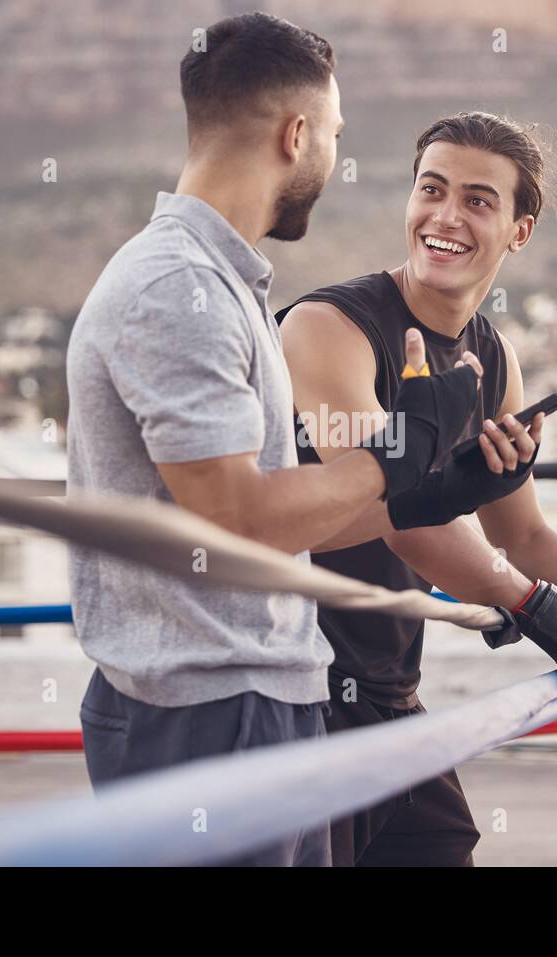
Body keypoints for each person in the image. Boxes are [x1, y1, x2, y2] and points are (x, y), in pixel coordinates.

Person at [65, 13, 486, 866]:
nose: (331, 156)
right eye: (332, 135)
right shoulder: (177, 288)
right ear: (296, 135)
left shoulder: (223, 282)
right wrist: (397, 449)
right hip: (204, 711)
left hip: (256, 697)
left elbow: (283, 523)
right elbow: (239, 519)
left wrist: (434, 487)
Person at [278, 112, 557, 866]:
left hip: (385, 693)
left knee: (442, 846)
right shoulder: (331, 327)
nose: (446, 216)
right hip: (295, 693)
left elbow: (521, 534)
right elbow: (390, 515)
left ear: (520, 229)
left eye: (479, 200)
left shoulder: (491, 356)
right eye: (432, 189)